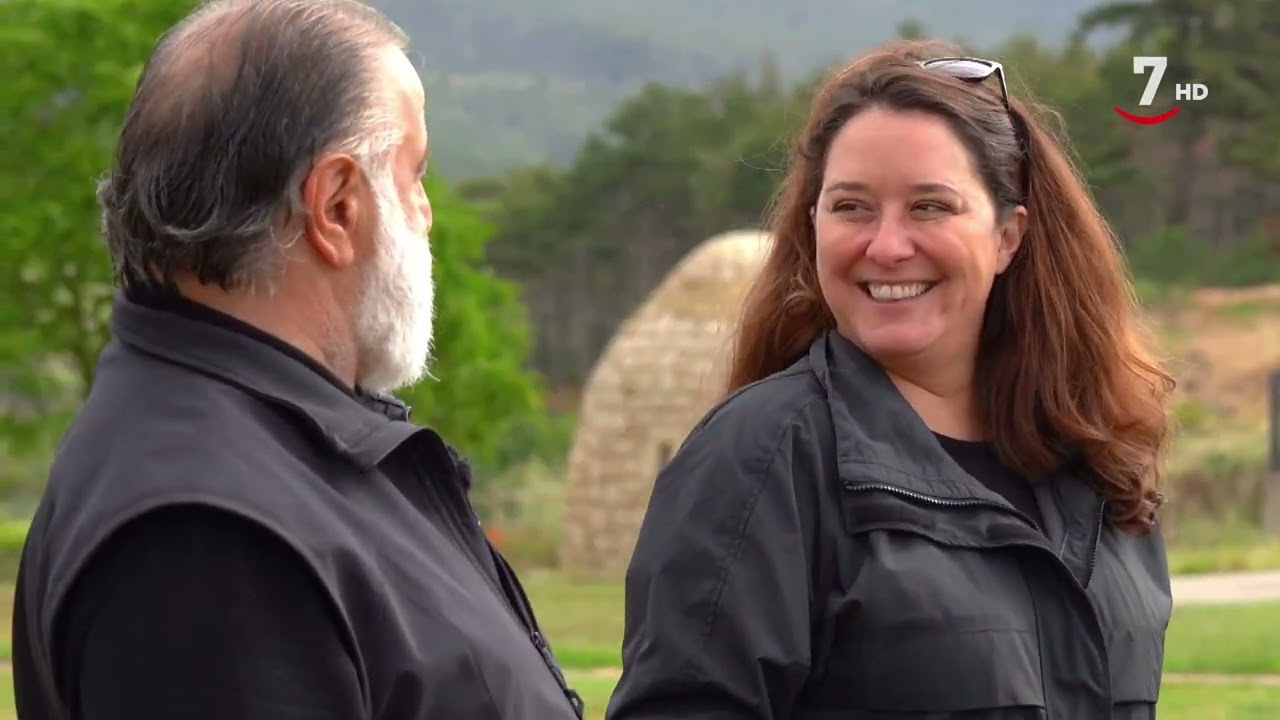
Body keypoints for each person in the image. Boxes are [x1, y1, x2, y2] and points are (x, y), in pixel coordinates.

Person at [11, 1, 583, 718]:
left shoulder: (265, 459)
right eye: (415, 174)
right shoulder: (209, 533)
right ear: (337, 207)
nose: (427, 211)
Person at [606, 38, 1175, 720]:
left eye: (930, 206)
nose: (886, 245)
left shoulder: (1101, 462)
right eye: (851, 207)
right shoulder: (763, 458)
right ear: (812, 225)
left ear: (1007, 236)